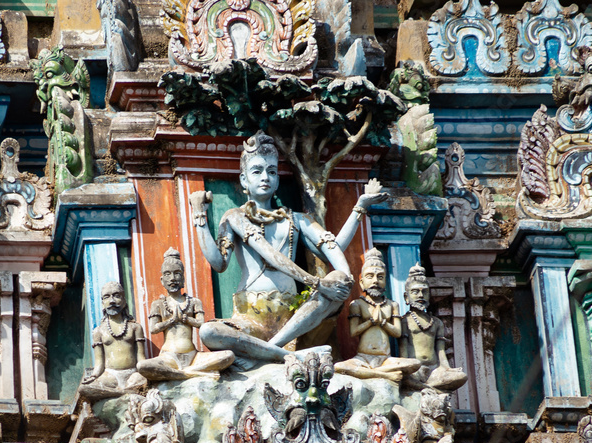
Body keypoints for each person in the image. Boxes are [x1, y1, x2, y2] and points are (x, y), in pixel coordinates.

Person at [192, 131, 386, 368]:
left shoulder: (296, 219)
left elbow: (333, 248)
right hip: (249, 317)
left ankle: (266, 352)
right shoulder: (235, 217)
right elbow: (218, 264)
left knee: (337, 281)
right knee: (209, 331)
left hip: (293, 319)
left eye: (271, 171)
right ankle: (282, 355)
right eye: (257, 171)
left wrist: (359, 209)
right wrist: (199, 215)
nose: (265, 177)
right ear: (243, 180)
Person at [137, 248, 235, 381]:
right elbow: (153, 329)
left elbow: (201, 324)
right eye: (168, 274)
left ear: (183, 277)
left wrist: (186, 319)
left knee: (228, 356)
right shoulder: (158, 304)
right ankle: (190, 374)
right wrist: (170, 321)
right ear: (162, 280)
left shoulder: (194, 302)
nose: (173, 278)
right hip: (168, 357)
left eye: (177, 273)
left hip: (193, 356)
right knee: (142, 366)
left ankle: (188, 371)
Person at [334, 248, 420, 383]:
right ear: (362, 283)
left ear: (385, 281)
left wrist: (383, 323)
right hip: (363, 357)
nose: (375, 281)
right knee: (339, 367)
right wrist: (371, 322)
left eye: (380, 277)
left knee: (414, 364)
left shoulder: (392, 305)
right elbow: (353, 332)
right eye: (370, 276)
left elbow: (397, 332)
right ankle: (384, 375)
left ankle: (373, 373)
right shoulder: (357, 304)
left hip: (386, 360)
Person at [399, 264, 467, 391]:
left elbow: (441, 352)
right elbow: (403, 351)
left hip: (435, 370)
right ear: (406, 297)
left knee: (461, 376)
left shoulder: (436, 323)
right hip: (415, 370)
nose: (420, 295)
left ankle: (426, 387)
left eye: (424, 291)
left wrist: (446, 369)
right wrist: (406, 370)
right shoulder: (404, 321)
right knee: (404, 377)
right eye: (415, 292)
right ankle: (425, 387)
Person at [79, 282, 148, 401]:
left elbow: (141, 358)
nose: (111, 301)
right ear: (102, 303)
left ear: (124, 300)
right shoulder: (99, 331)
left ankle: (118, 393)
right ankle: (122, 393)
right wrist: (94, 376)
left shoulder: (135, 328)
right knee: (84, 389)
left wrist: (145, 373)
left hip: (132, 374)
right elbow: (99, 362)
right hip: (110, 376)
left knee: (144, 381)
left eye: (116, 296)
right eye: (107, 297)